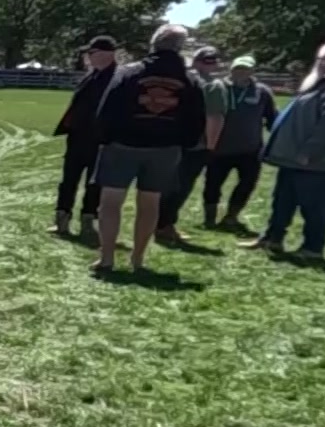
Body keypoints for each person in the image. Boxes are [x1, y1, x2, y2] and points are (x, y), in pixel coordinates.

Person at [89, 23, 207, 273]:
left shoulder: (129, 72)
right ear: (180, 47)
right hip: (165, 149)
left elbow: (106, 109)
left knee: (110, 203)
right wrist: (184, 142)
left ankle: (107, 258)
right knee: (150, 204)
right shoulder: (190, 80)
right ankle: (138, 259)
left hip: (123, 146)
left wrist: (104, 137)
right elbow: (197, 118)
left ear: (153, 44)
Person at [242, 40, 325, 260]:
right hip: (295, 157)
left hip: (317, 161)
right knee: (282, 200)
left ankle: (312, 249)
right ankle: (272, 238)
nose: (319, 63)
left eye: (322, 59)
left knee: (313, 206)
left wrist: (311, 151)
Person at [156, 46, 226, 244]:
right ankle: (165, 225)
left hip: (169, 140)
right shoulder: (214, 86)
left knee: (164, 184)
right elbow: (214, 117)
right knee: (181, 186)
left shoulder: (178, 79)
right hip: (196, 144)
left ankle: (155, 221)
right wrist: (211, 146)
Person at [53, 36, 119, 238]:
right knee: (69, 180)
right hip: (78, 136)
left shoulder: (117, 78)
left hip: (99, 139)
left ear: (106, 54)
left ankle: (88, 221)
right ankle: (62, 219)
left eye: (92, 53)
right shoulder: (91, 76)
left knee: (94, 184)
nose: (88, 57)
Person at [203, 55, 277, 231]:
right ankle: (210, 219)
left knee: (247, 184)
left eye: (245, 69)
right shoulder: (218, 88)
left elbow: (272, 118)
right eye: (238, 68)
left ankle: (231, 217)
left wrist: (278, 139)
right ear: (231, 70)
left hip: (250, 149)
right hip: (219, 148)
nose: (241, 72)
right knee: (212, 184)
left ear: (252, 71)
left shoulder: (262, 92)